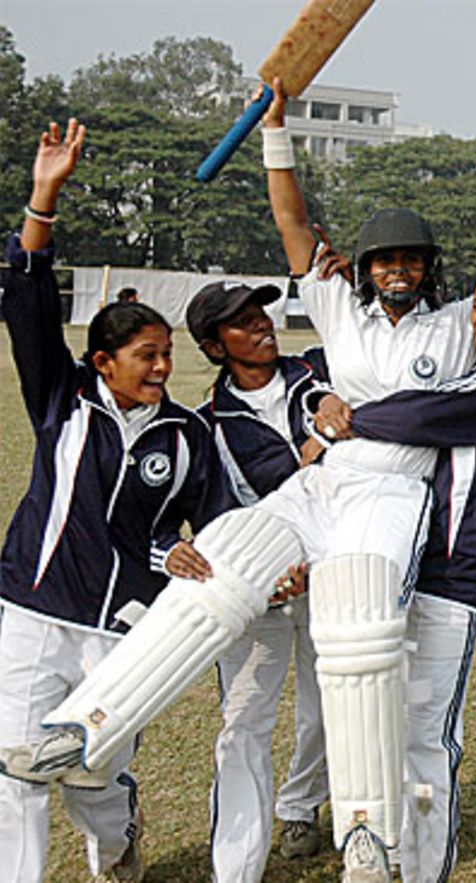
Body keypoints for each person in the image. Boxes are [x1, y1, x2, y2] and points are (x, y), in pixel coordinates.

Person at [0, 83, 476, 883]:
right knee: (226, 559)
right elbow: (293, 224)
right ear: (365, 268)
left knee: (355, 627)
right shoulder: (339, 309)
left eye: (411, 259)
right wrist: (276, 131)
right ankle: (86, 728)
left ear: (429, 269)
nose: (399, 270)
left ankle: (366, 831)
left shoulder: (458, 326)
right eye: (385, 260)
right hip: (325, 479)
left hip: (393, 492)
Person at [0, 120, 233, 882]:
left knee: (92, 774)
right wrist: (44, 195)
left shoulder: (186, 434)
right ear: (103, 361)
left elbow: (199, 529)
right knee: (15, 770)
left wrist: (179, 553)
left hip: (123, 630)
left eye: (167, 354)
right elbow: (28, 296)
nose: (162, 367)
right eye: (146, 356)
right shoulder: (61, 398)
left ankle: (117, 830)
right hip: (34, 609)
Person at [312, 252, 476, 881]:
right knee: (381, 719)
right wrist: (322, 393)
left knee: (425, 734)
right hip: (403, 563)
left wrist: (347, 418)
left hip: (452, 577)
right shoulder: (473, 360)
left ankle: (423, 869)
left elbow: (420, 413)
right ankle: (386, 849)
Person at [187, 281, 333, 877]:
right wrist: (263, 571)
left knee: (327, 708)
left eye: (260, 314)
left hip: (331, 576)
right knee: (244, 722)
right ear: (214, 346)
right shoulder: (204, 424)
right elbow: (216, 516)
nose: (261, 326)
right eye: (241, 322)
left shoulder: (320, 372)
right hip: (261, 593)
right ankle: (236, 867)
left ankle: (300, 805)